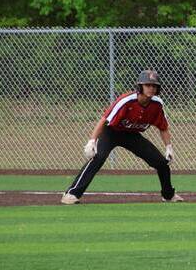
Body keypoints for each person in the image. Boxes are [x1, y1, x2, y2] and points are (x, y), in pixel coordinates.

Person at [61, 69, 183, 204]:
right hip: (111, 132)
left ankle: (168, 195)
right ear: (140, 86)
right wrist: (92, 141)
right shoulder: (126, 100)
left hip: (132, 135)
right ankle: (71, 194)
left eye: (154, 86)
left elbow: (163, 127)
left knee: (161, 163)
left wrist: (169, 147)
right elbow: (104, 120)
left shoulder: (157, 104)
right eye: (147, 85)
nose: (151, 88)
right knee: (98, 158)